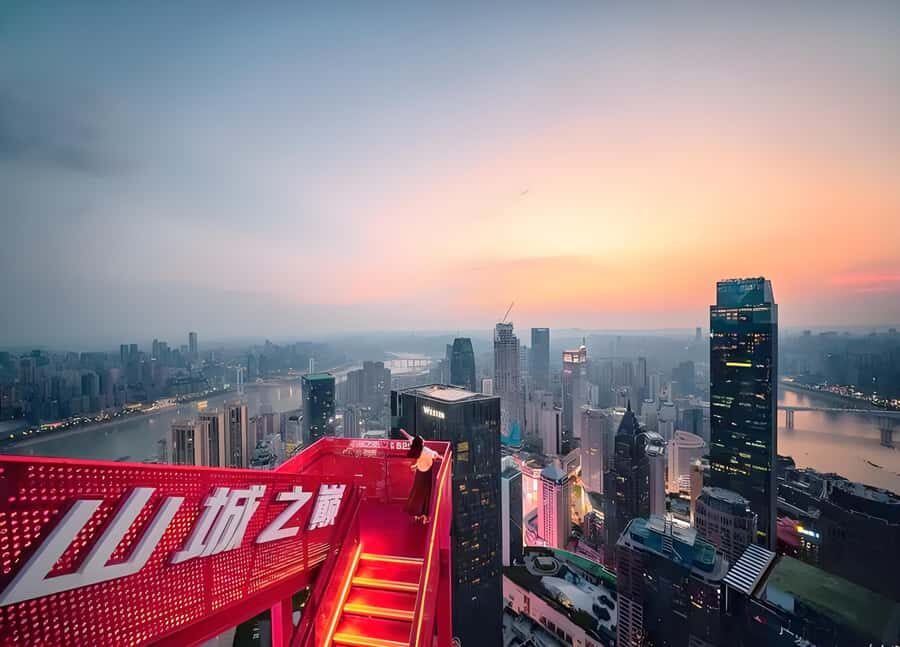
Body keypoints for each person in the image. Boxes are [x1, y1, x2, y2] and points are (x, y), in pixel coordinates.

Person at [402, 431, 439, 524]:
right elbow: (436, 456)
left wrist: (403, 431)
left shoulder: (415, 448)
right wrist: (441, 457)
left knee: (416, 494)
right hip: (426, 474)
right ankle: (425, 516)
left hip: (419, 473)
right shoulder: (426, 451)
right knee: (426, 496)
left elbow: (409, 437)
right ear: (422, 442)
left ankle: (416, 514)